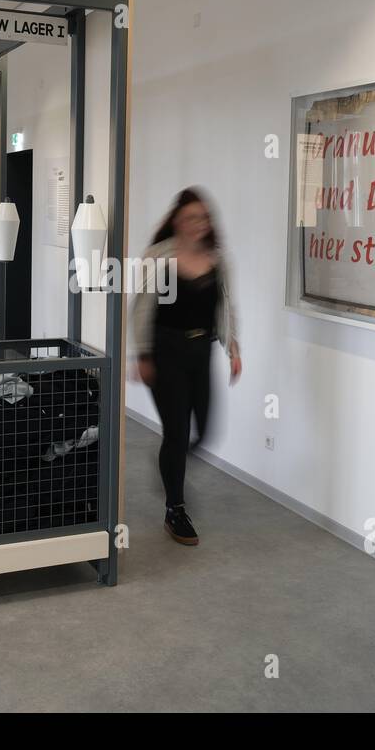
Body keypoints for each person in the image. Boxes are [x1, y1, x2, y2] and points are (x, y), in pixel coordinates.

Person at [131, 188, 241, 546]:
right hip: (166, 352)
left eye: (203, 218)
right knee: (177, 431)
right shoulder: (158, 258)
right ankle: (175, 508)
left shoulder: (217, 260)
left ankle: (168, 462)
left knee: (206, 430)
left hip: (201, 351)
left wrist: (233, 346)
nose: (199, 224)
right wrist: (143, 355)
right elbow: (142, 309)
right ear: (178, 221)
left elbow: (225, 306)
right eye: (191, 218)